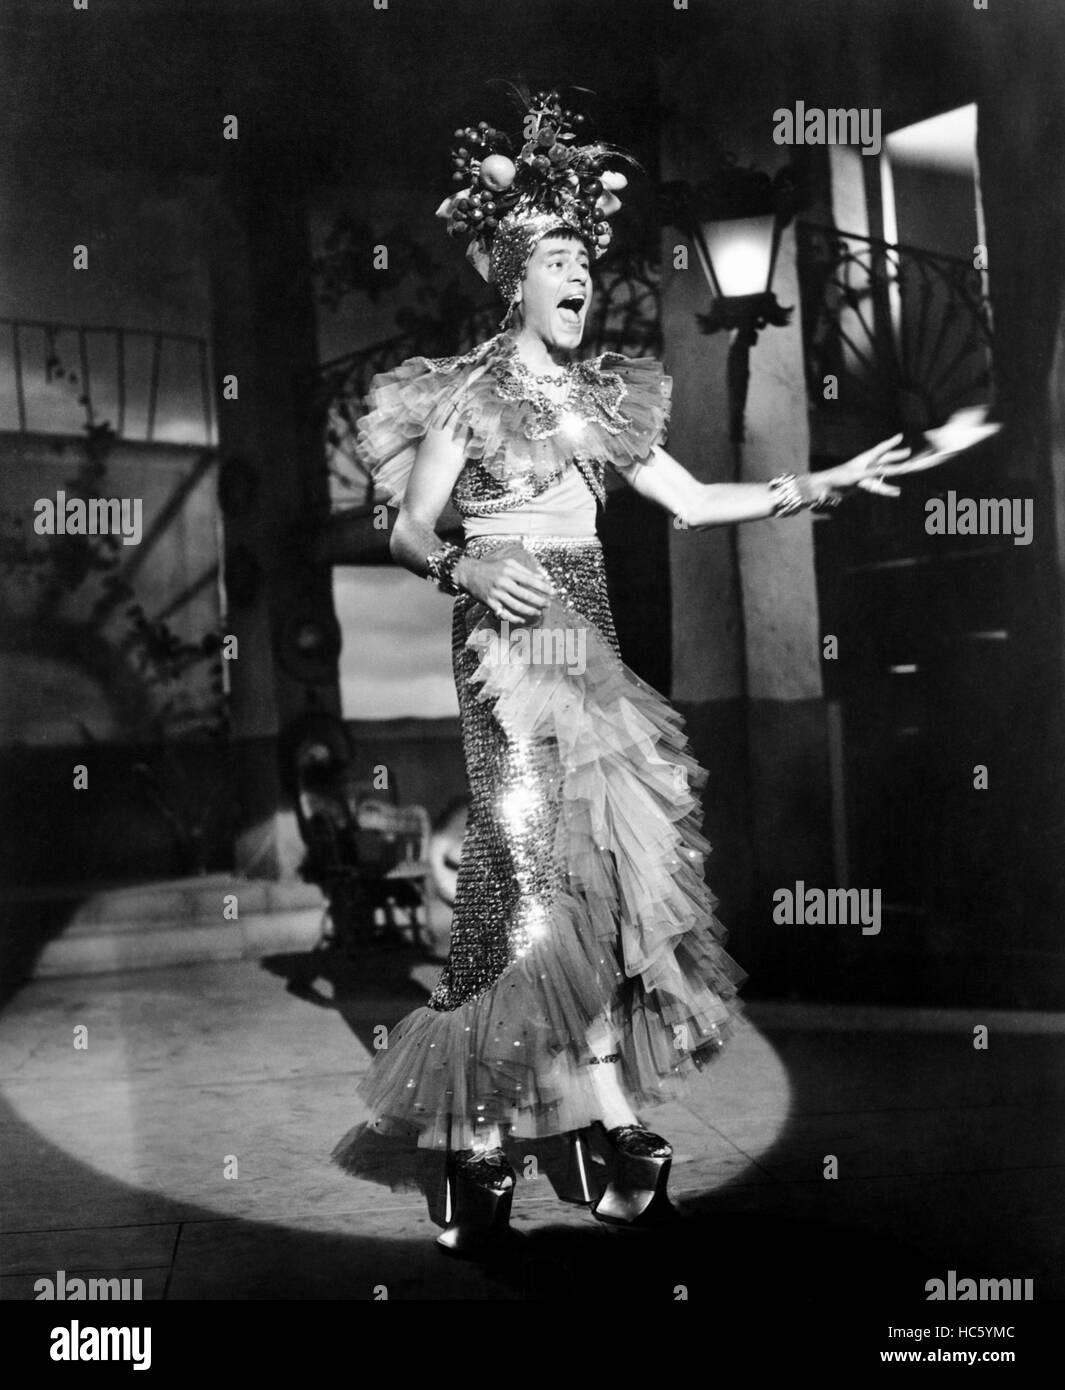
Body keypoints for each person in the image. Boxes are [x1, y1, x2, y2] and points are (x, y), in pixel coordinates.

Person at [332, 89, 999, 1256]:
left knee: (594, 881)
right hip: (509, 642)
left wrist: (811, 488)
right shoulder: (469, 397)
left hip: (589, 647)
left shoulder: (600, 401)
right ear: (516, 279)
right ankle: (553, 1126)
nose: (580, 273)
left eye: (587, 257)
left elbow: (690, 502)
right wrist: (470, 566)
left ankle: (539, 1135)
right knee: (526, 862)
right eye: (558, 257)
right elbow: (406, 529)